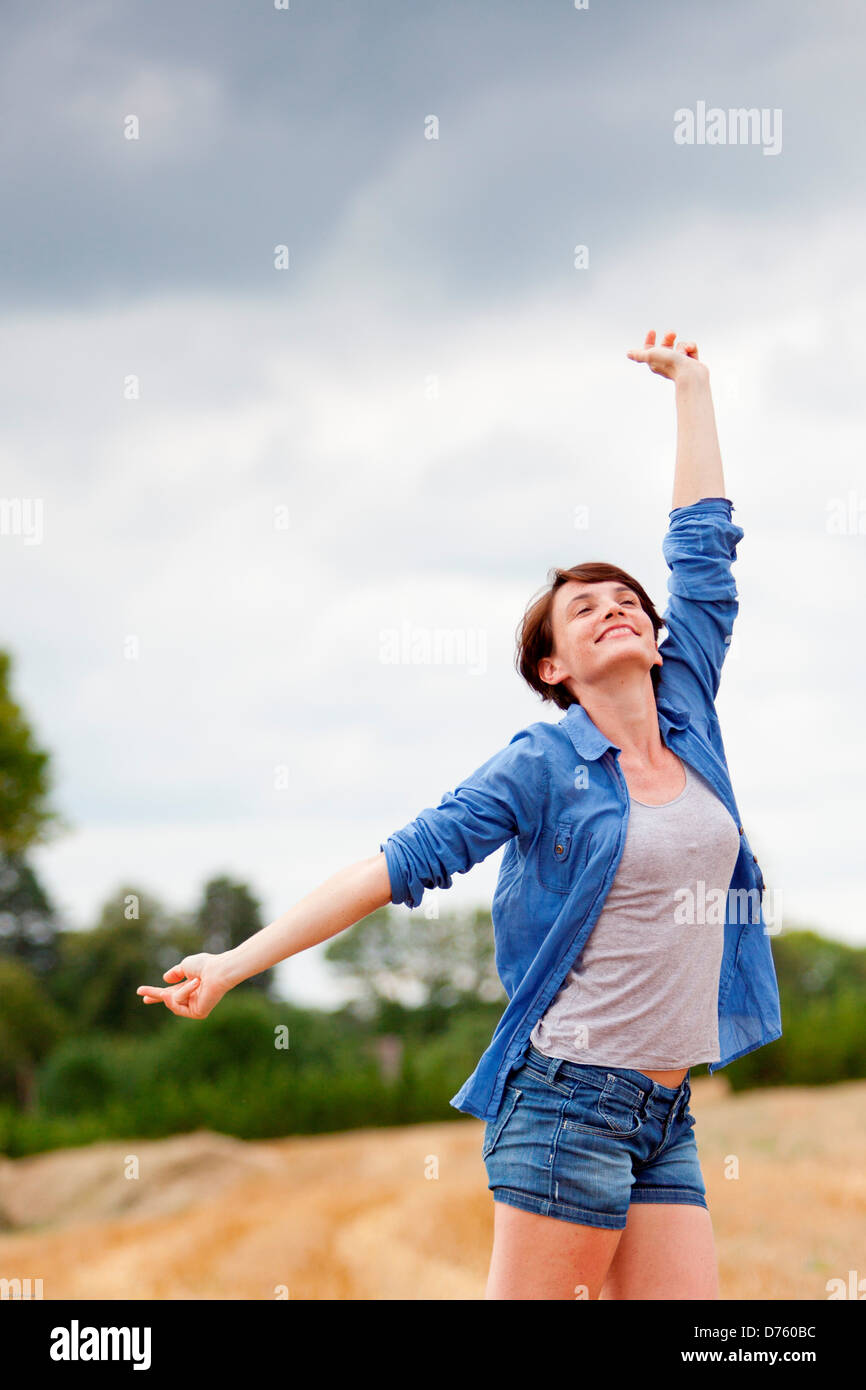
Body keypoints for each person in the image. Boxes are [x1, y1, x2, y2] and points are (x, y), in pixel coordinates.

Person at [137, 329, 781, 1300]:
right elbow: (394, 864)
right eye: (582, 609)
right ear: (552, 670)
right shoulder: (539, 765)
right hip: (567, 1103)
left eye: (625, 600)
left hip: (664, 1109)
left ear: (654, 637)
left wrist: (691, 387)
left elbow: (702, 547)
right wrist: (233, 963)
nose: (614, 607)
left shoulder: (687, 706)